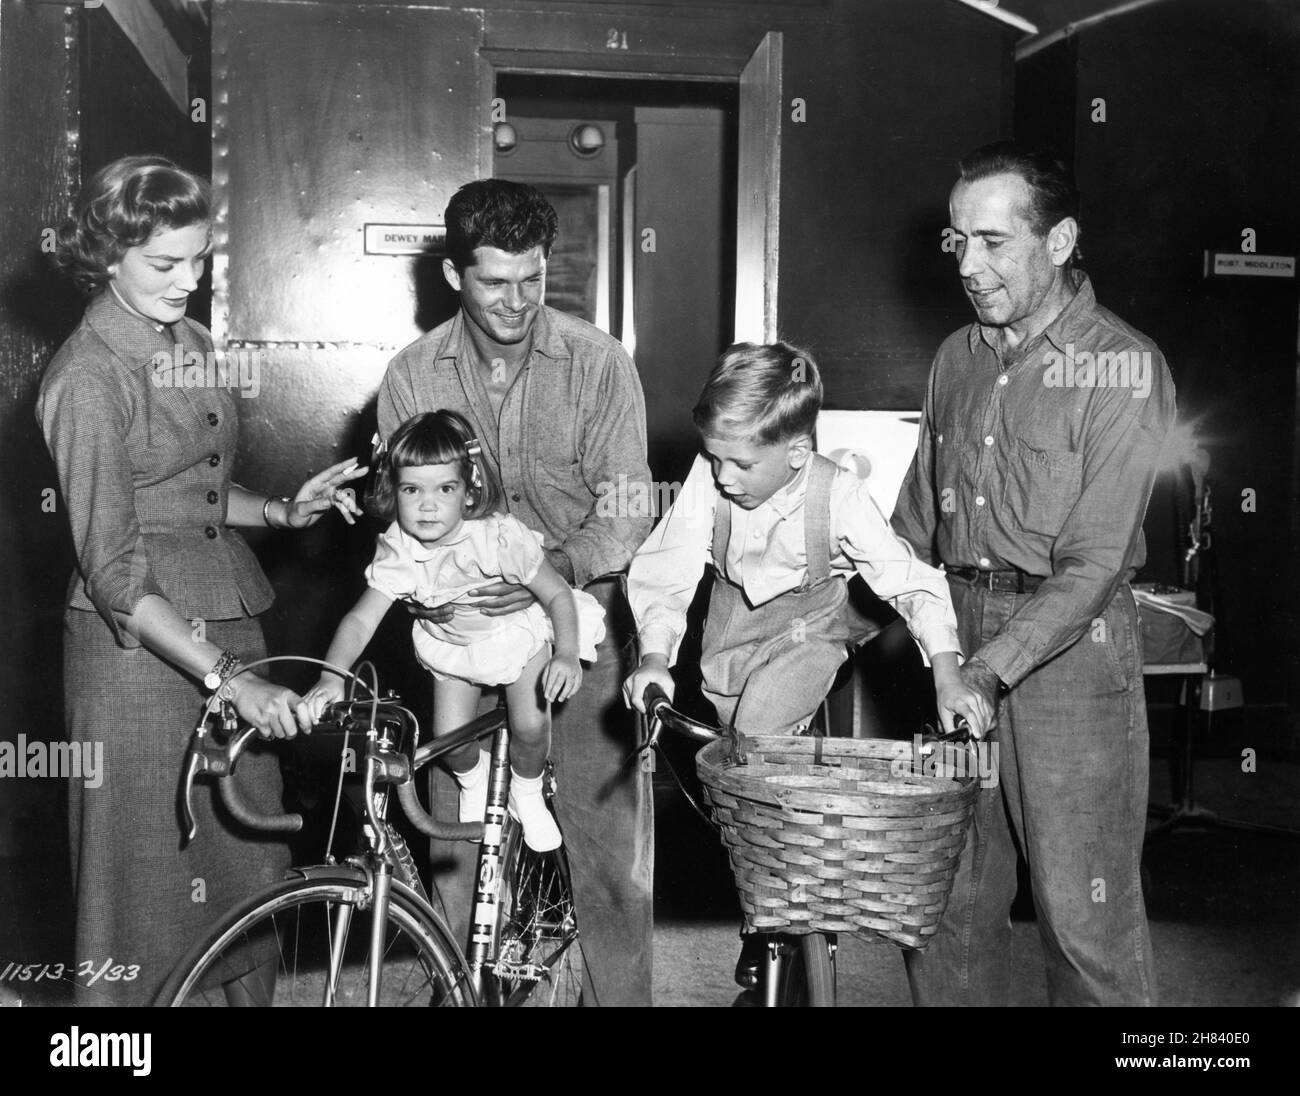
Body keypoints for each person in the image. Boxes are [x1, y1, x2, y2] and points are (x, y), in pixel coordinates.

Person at [38, 155, 365, 1006]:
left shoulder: (190, 342)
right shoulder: (86, 375)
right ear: (105, 254)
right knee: (138, 893)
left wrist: (287, 512)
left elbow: (205, 499)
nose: (189, 280)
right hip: (137, 659)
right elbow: (112, 569)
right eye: (164, 263)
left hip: (226, 626)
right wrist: (228, 682)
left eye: (200, 259)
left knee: (244, 862)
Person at [891, 141, 1175, 1006]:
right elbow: (913, 527)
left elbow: (1091, 564)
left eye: (992, 241)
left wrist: (985, 668)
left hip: (1069, 662)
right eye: (957, 242)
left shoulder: (1123, 368)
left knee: (1081, 920)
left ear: (1058, 242)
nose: (968, 266)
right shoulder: (956, 360)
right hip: (958, 643)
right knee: (942, 909)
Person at [377, 179, 654, 1004]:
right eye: (496, 282)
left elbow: (628, 509)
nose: (519, 301)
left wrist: (551, 577)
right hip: (462, 632)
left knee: (611, 858)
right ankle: (458, 992)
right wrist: (442, 595)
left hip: (581, 624)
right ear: (455, 276)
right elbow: (394, 517)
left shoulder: (599, 362)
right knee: (459, 843)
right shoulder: (411, 373)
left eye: (533, 279)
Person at [623, 341, 990, 736]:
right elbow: (667, 570)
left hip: (810, 630)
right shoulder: (710, 475)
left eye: (743, 465)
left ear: (797, 452)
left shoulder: (838, 495)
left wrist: (948, 677)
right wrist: (654, 659)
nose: (724, 477)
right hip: (728, 636)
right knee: (735, 754)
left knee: (756, 732)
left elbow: (913, 585)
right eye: (715, 458)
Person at [303, 410, 606, 850]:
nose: (428, 505)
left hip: (512, 638)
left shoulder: (496, 538)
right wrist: (332, 675)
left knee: (529, 726)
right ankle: (474, 779)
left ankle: (527, 788)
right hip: (453, 648)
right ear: (394, 490)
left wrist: (565, 653)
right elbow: (360, 619)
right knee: (450, 742)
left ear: (469, 491)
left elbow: (557, 594)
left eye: (445, 489)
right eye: (412, 489)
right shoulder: (399, 550)